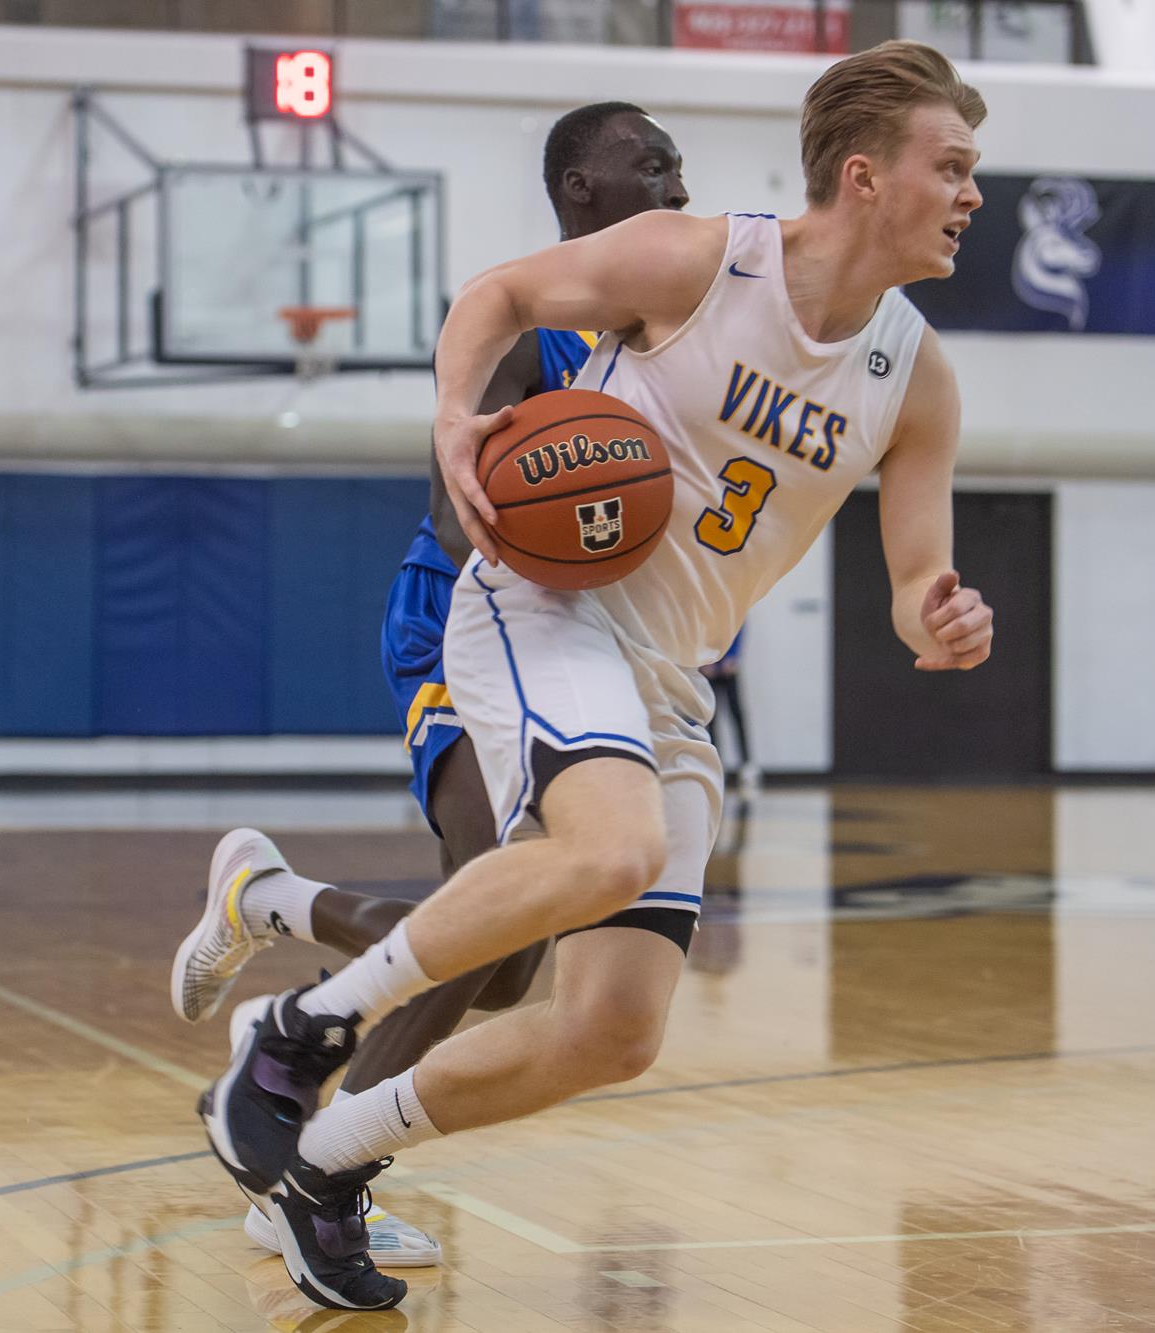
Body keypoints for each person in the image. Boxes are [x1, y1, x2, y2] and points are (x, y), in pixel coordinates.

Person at [192, 41, 995, 1311]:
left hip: (669, 675)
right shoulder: (704, 258)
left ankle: (329, 1168)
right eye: (950, 166)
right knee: (602, 853)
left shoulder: (917, 377)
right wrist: (456, 414)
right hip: (549, 609)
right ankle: (293, 1044)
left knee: (610, 1030)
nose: (970, 193)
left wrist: (936, 615)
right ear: (864, 175)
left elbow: (912, 581)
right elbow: (496, 296)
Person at [168, 103, 689, 1270]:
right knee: (486, 909)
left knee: (505, 960)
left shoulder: (674, 333)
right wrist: (574, 541)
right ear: (577, 190)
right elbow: (471, 517)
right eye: (644, 164)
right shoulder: (531, 330)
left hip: (583, 642)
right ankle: (310, 1175)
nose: (672, 181)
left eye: (678, 165)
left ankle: (268, 903)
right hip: (468, 620)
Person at [700, 630, 757, 791]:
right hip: (708, 666)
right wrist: (703, 660)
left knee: (736, 713)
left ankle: (746, 765)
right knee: (711, 717)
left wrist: (733, 656)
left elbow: (739, 626)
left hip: (729, 666)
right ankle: (716, 764)